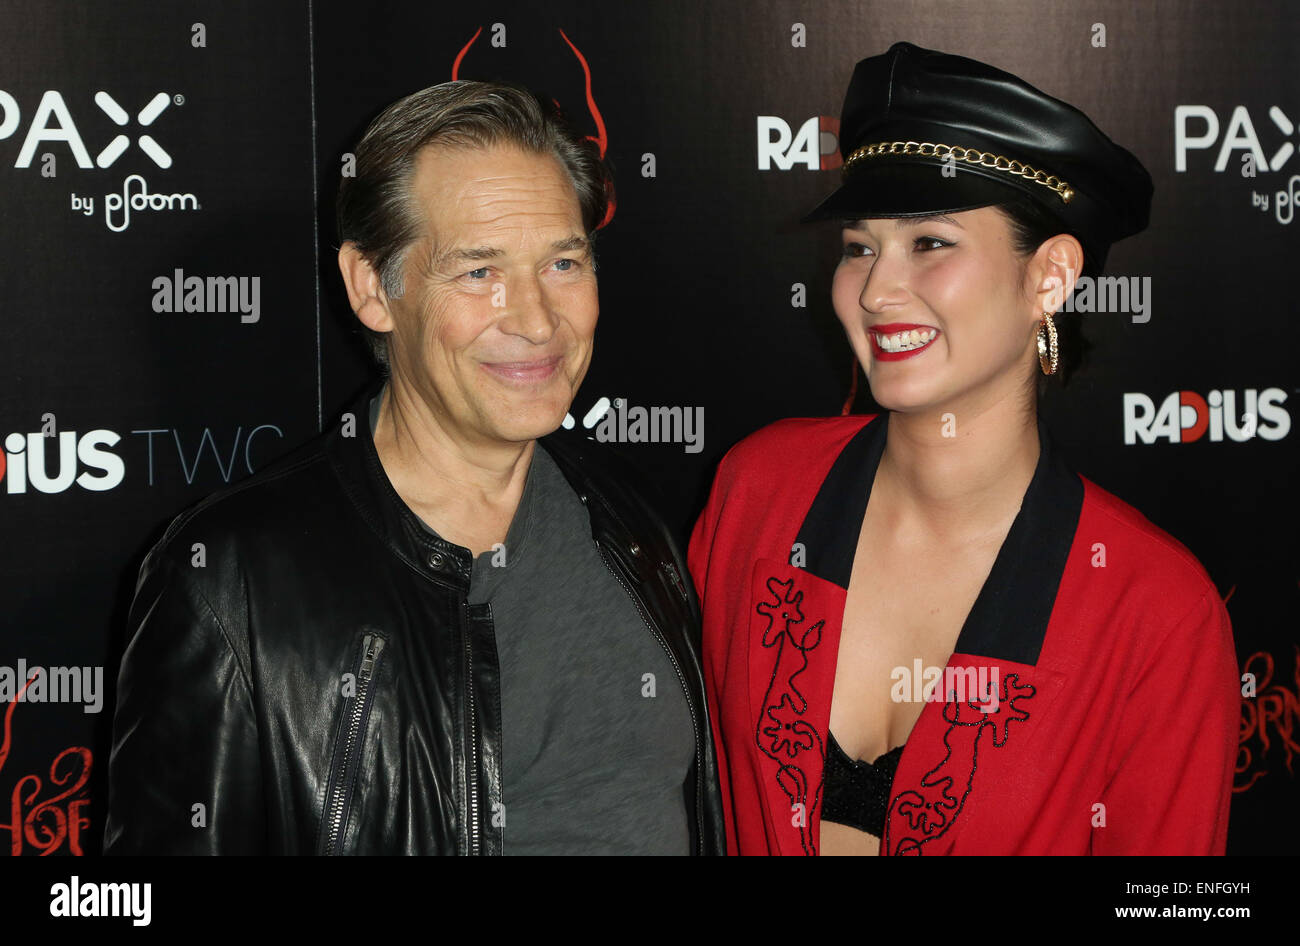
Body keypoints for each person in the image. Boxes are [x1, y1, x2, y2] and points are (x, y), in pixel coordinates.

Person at [103, 80, 725, 855]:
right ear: (373, 288)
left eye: (564, 262)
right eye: (478, 272)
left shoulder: (633, 525)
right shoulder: (232, 582)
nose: (536, 320)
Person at [687, 41, 1238, 855]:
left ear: (1050, 276)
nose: (875, 290)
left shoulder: (1156, 610)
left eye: (930, 243)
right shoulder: (759, 489)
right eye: (859, 246)